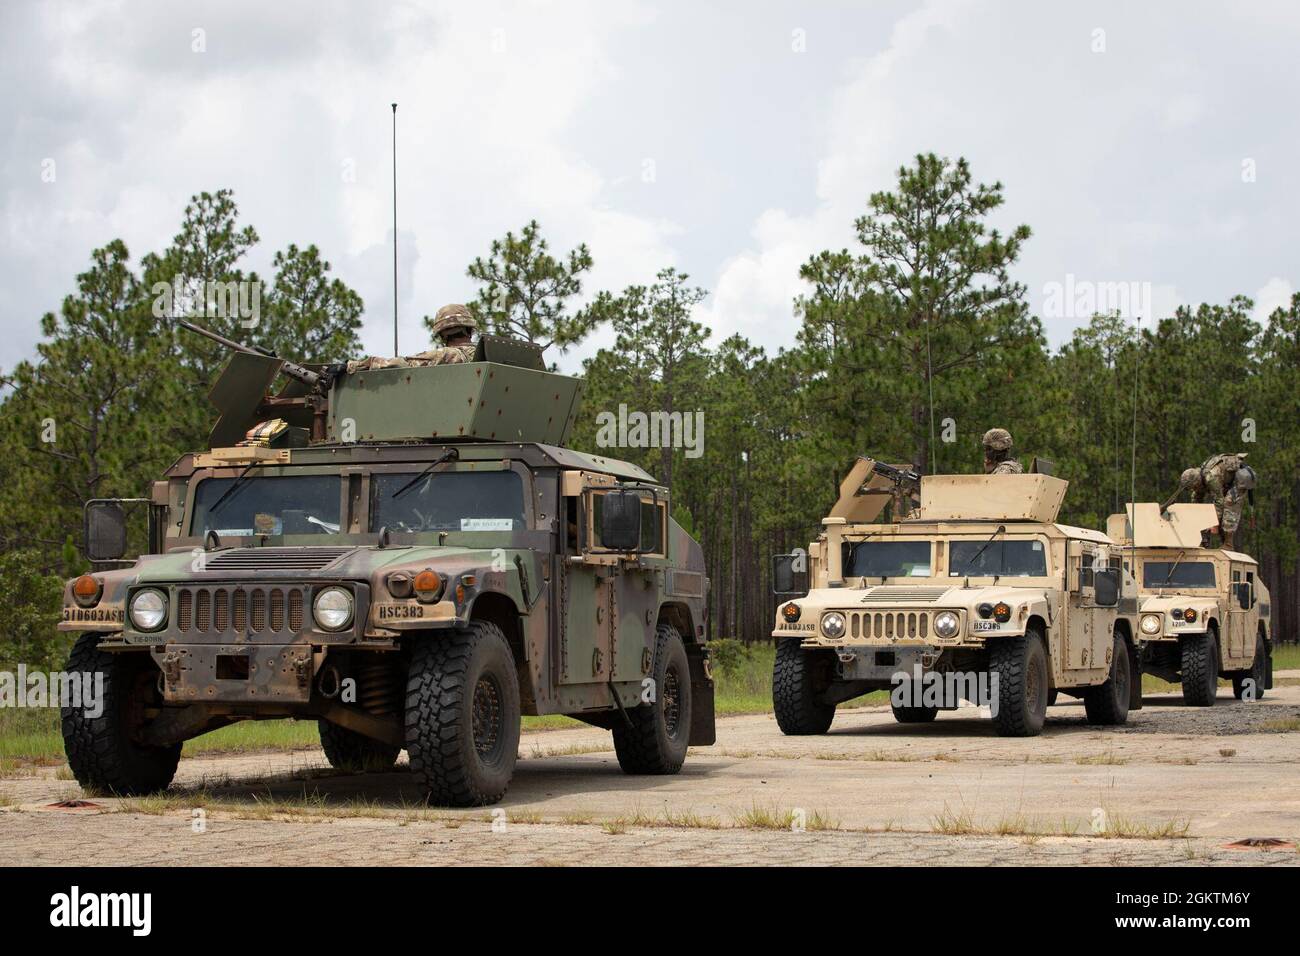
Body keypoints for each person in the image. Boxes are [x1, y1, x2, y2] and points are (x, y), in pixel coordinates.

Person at [345, 304, 479, 373]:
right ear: (470, 330)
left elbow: (401, 364)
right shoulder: (486, 354)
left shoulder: (447, 355)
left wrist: (356, 365)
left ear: (443, 335)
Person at [1160, 453, 1254, 549]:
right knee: (1201, 503)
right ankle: (1206, 540)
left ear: (1197, 482)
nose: (1194, 489)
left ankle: (1228, 544)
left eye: (1194, 487)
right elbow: (1196, 504)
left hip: (1241, 478)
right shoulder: (1199, 479)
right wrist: (1199, 524)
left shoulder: (1210, 478)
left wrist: (1213, 523)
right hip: (1227, 481)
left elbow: (1219, 500)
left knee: (1229, 503)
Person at [411, 303, 478, 366]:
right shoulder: (483, 353)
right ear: (470, 330)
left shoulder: (443, 355)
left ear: (443, 336)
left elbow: (404, 365)